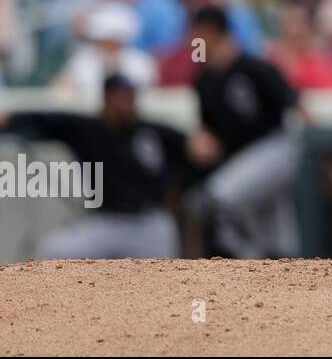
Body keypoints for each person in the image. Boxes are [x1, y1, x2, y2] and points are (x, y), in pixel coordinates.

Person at [0, 75, 190, 258]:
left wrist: (177, 187)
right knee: (54, 251)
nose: (127, 104)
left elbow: (192, 151)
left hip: (148, 221)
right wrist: (12, 119)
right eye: (121, 98)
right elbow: (44, 120)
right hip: (105, 221)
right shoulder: (88, 129)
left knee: (168, 272)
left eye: (131, 98)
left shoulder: (150, 131)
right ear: (107, 98)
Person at [186, 6, 303, 258]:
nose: (192, 41)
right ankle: (274, 276)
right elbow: (207, 129)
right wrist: (201, 141)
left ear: (210, 32)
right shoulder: (204, 80)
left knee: (218, 199)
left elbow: (299, 110)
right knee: (274, 233)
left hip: (275, 149)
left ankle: (241, 265)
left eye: (196, 34)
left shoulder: (255, 68)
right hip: (241, 158)